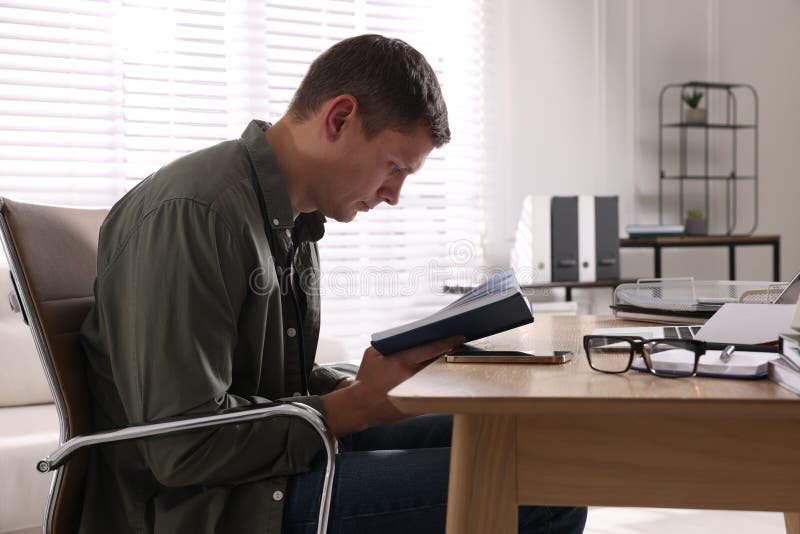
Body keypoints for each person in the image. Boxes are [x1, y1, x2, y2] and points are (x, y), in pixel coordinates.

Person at [79, 34, 588, 534]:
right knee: (545, 485)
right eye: (393, 167)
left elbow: (265, 386)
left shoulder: (292, 220)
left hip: (260, 472)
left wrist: (358, 386)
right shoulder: (194, 214)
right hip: (209, 507)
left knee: (508, 441)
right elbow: (182, 447)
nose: (393, 195)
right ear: (339, 118)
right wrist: (361, 404)